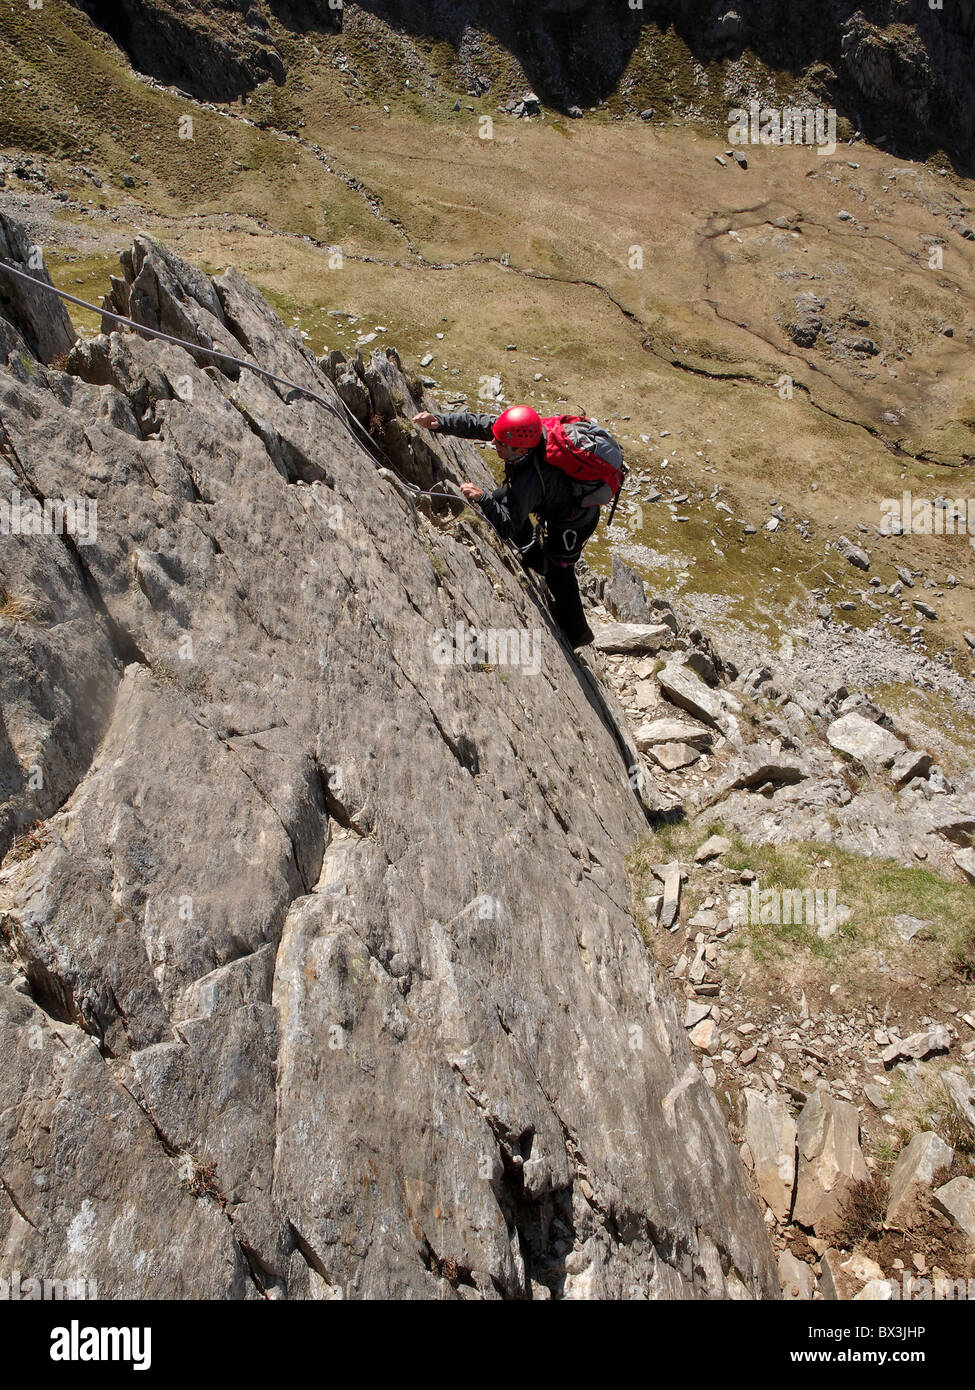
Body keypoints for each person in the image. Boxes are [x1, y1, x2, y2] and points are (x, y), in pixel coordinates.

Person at [412, 405, 601, 648]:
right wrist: (440, 421)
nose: (494, 442)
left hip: (574, 522)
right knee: (504, 499)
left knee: (559, 570)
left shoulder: (529, 481)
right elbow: (479, 423)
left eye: (500, 443)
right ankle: (533, 558)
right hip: (557, 503)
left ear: (520, 449)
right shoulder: (522, 434)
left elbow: (507, 527)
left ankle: (578, 632)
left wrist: (483, 498)